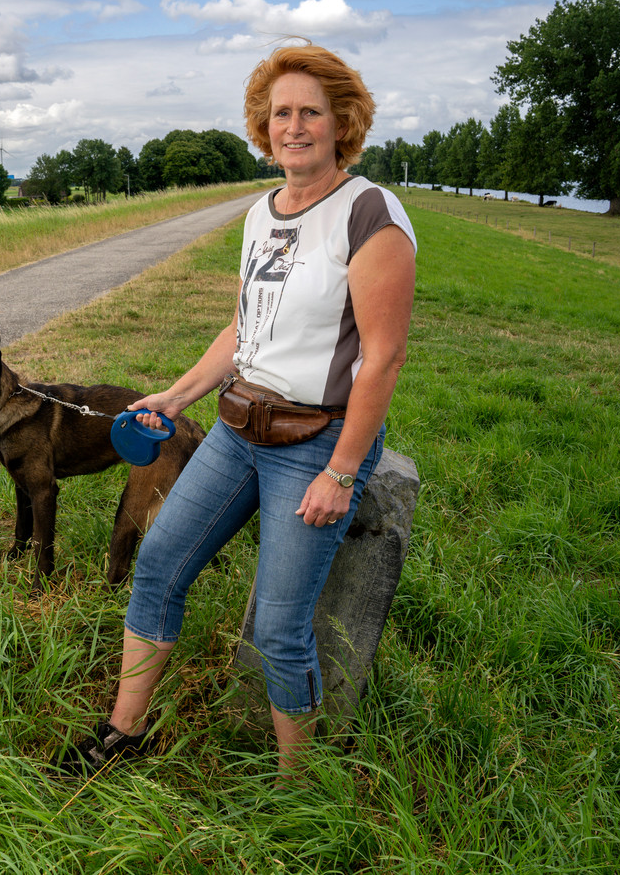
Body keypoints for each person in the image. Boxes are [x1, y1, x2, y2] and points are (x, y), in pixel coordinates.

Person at [52, 43, 417, 778]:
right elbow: (242, 329)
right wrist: (177, 395)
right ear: (263, 124)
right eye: (279, 112)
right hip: (237, 428)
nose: (293, 126)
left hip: (317, 441)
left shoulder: (369, 213)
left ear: (342, 121)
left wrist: (342, 472)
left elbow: (381, 360)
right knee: (156, 567)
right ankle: (125, 732)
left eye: (310, 111)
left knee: (281, 626)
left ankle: (296, 785)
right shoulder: (262, 213)